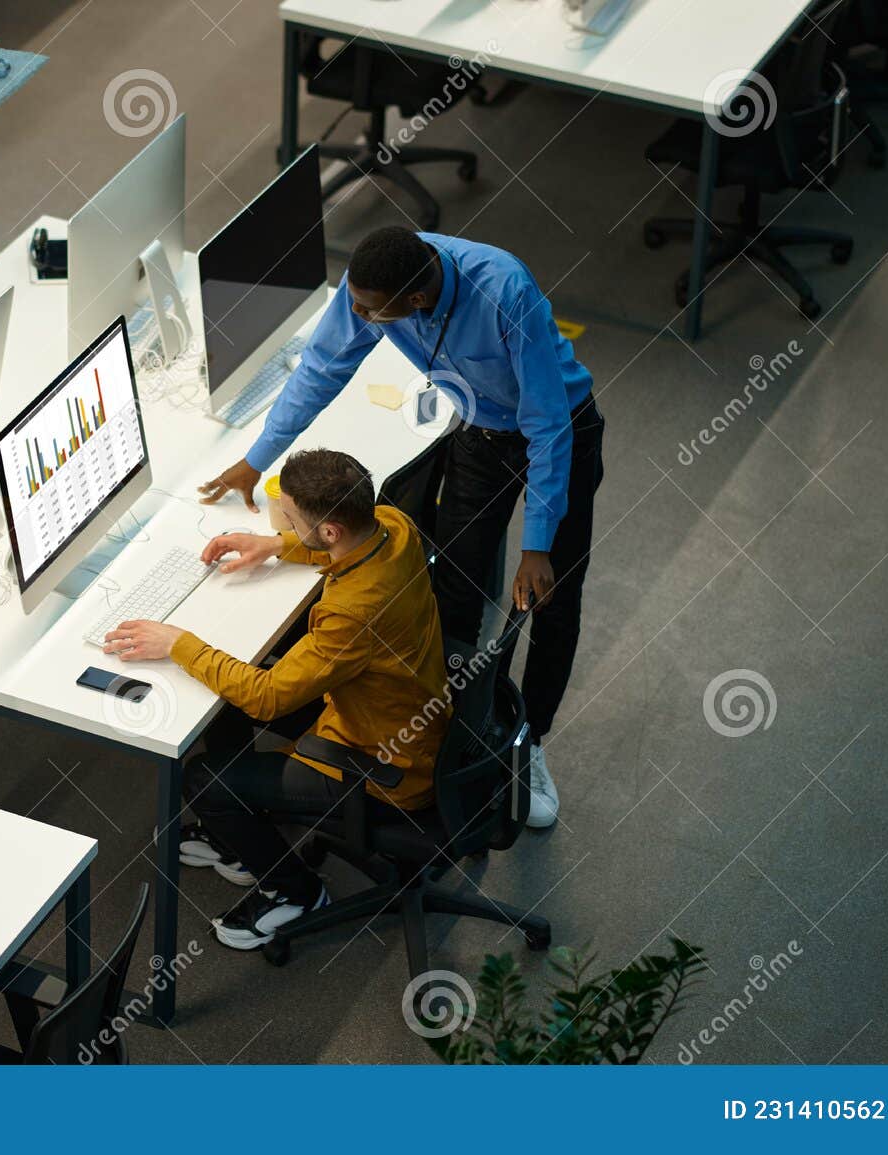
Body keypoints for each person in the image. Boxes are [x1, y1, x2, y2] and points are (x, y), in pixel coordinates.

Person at [197, 226, 603, 828]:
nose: (355, 314)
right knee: (454, 592)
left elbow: (547, 425)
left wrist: (536, 546)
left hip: (562, 427)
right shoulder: (377, 277)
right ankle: (445, 743)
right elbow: (324, 366)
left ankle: (530, 746)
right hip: (482, 428)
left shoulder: (503, 290)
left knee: (552, 596)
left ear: (415, 300)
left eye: (367, 310)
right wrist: (257, 459)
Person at [102, 449, 449, 950]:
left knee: (205, 780)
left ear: (329, 530)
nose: (282, 517)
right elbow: (334, 544)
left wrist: (177, 643)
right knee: (226, 695)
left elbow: (268, 700)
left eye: (289, 514)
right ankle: (242, 831)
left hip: (383, 764)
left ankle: (297, 891)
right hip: (401, 709)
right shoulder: (391, 524)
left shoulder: (352, 612)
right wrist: (274, 544)